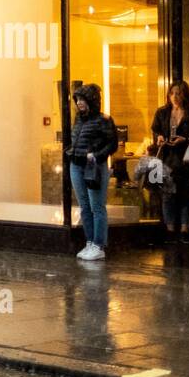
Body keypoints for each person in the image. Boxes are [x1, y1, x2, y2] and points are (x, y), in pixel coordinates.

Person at [66, 83, 118, 261]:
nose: (79, 103)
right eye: (78, 99)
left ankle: (99, 244)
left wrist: (96, 155)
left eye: (83, 99)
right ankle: (90, 241)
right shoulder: (78, 119)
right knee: (84, 207)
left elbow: (112, 144)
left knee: (97, 206)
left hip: (94, 166)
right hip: (76, 164)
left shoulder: (104, 120)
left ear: (92, 101)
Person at [150, 80, 189, 244]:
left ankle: (185, 231)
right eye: (172, 93)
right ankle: (170, 230)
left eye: (179, 93)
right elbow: (156, 130)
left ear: (185, 95)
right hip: (168, 157)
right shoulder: (162, 112)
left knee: (186, 195)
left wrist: (185, 139)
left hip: (188, 159)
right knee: (168, 195)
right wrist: (159, 137)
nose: (175, 97)